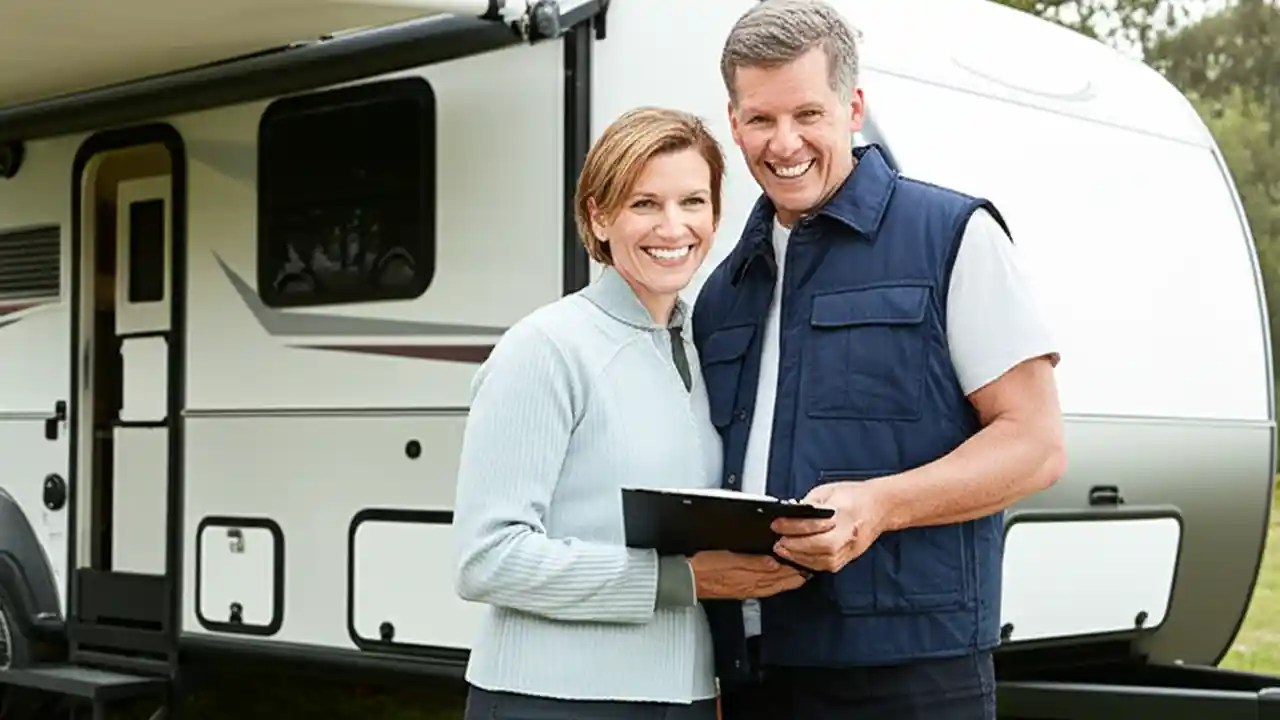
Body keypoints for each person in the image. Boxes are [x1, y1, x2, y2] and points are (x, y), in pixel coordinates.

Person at [691, 1, 1068, 718]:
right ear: (734, 123)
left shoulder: (952, 237)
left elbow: (1036, 444)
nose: (784, 143)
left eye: (808, 114)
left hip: (912, 675)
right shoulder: (722, 289)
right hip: (754, 672)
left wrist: (880, 506)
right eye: (762, 120)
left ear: (853, 106)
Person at [451, 106, 809, 720]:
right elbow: (488, 559)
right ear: (599, 215)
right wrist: (683, 582)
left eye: (693, 202)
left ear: (716, 215)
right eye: (645, 204)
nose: (673, 227)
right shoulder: (546, 348)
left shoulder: (705, 342)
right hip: (552, 699)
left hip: (684, 698)